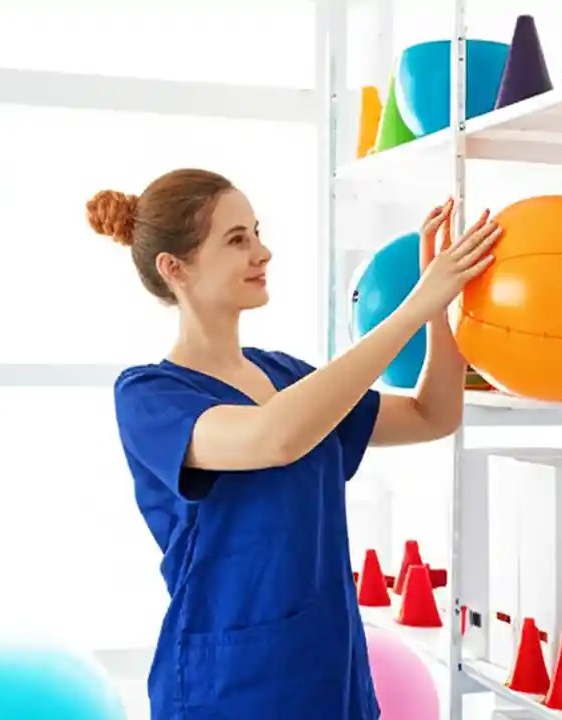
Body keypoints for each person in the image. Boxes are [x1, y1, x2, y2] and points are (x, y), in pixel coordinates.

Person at [87, 168, 501, 719]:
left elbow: (432, 414)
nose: (263, 252)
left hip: (331, 673)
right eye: (238, 240)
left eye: (257, 232)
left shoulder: (285, 375)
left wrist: (444, 308)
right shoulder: (149, 395)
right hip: (231, 687)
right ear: (175, 268)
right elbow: (275, 438)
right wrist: (414, 308)